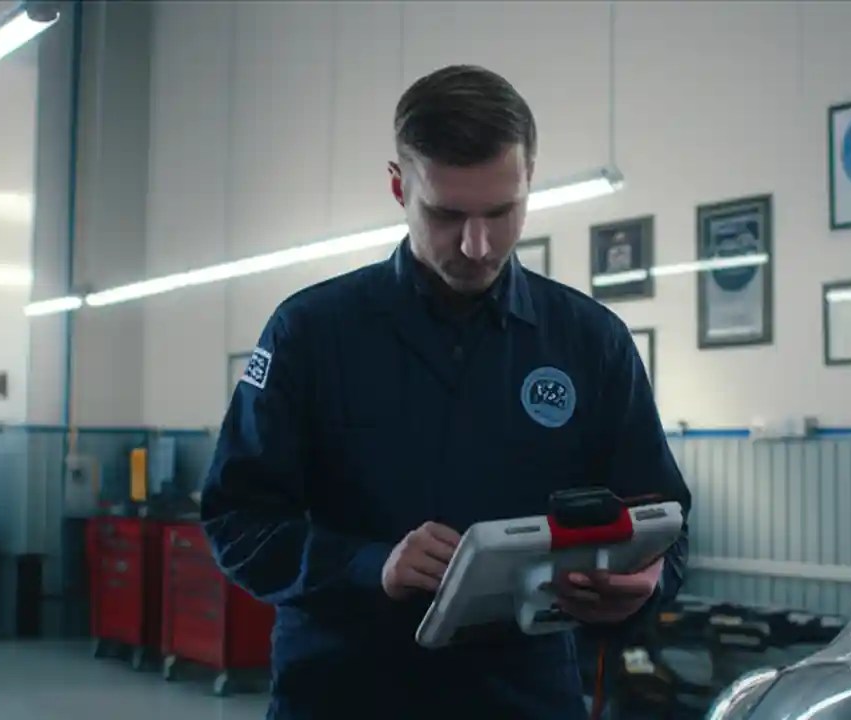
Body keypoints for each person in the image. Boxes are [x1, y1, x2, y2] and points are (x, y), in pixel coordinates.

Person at [200, 64, 691, 720]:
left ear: (528, 182)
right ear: (400, 187)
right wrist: (367, 565)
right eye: (446, 214)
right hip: (345, 692)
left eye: (501, 212)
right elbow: (237, 521)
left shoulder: (590, 341)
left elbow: (665, 518)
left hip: (524, 696)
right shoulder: (310, 334)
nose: (477, 244)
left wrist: (648, 581)